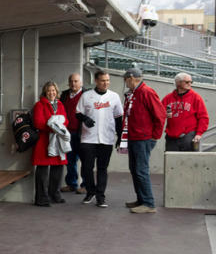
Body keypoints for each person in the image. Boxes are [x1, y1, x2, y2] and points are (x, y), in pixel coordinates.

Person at [75, 70, 123, 208]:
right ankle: (90, 191)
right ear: (96, 81)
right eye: (103, 80)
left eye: (107, 80)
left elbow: (119, 118)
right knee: (86, 168)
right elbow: (78, 113)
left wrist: (120, 138)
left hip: (106, 138)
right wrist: (85, 118)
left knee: (102, 168)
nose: (106, 83)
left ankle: (100, 197)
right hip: (88, 138)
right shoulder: (86, 95)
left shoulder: (114, 96)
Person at [121, 68, 166, 214]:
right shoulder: (135, 93)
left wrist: (155, 136)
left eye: (126, 80)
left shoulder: (146, 92)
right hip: (135, 137)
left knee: (141, 170)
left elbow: (160, 115)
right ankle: (141, 199)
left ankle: (149, 203)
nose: (125, 83)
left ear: (132, 78)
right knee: (134, 169)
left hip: (143, 138)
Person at [31, 81, 69, 206]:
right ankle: (41, 198)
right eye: (49, 91)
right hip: (44, 140)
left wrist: (59, 127)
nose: (51, 93)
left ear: (57, 92)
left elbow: (65, 120)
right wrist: (53, 127)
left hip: (58, 140)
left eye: (53, 90)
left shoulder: (60, 104)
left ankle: (55, 194)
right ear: (45, 92)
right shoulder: (39, 105)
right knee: (42, 170)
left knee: (58, 168)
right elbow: (38, 122)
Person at [162, 73, 209, 151]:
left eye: (191, 82)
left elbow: (203, 117)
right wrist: (165, 114)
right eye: (187, 82)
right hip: (171, 137)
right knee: (171, 161)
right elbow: (158, 114)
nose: (189, 84)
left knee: (188, 161)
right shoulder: (168, 98)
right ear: (178, 83)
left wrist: (199, 134)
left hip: (189, 136)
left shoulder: (196, 97)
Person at [59, 73, 86, 194]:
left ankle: (86, 185)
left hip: (82, 133)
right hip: (67, 133)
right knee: (70, 160)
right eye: (71, 81)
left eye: (76, 81)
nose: (73, 83)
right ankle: (71, 184)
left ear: (81, 83)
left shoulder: (87, 94)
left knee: (85, 160)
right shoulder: (64, 95)